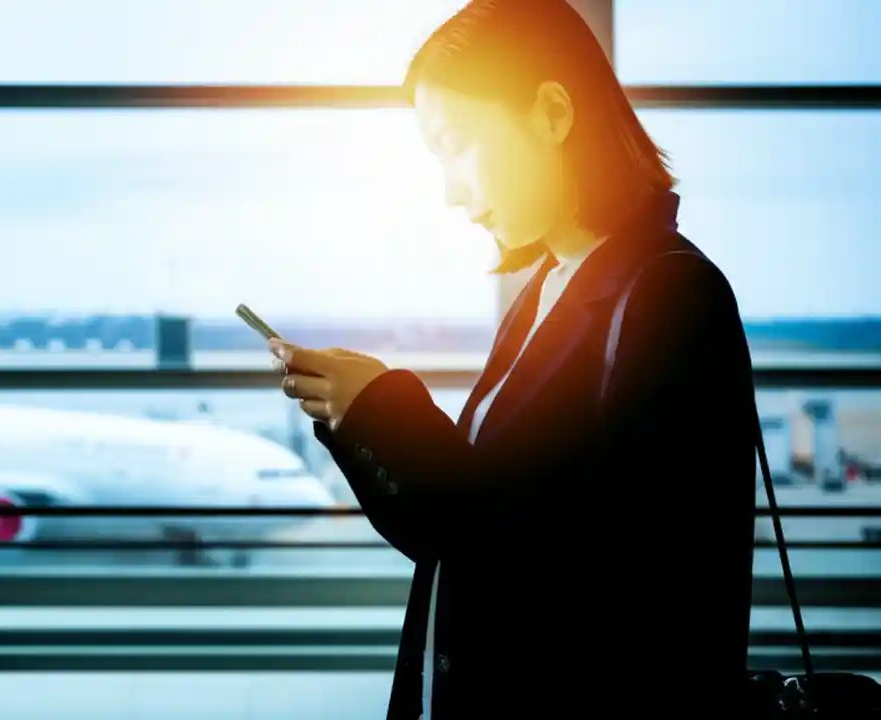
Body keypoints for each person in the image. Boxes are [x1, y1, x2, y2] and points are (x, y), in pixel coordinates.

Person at [268, 0, 759, 717]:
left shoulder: (669, 294)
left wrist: (385, 412)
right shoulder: (552, 292)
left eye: (458, 143)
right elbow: (462, 528)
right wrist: (357, 417)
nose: (452, 190)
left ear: (552, 115)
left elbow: (562, 559)